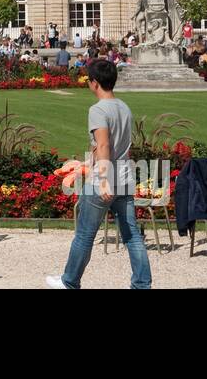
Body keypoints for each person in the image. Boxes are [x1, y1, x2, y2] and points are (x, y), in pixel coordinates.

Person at [46, 59, 151, 289]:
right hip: (124, 177)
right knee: (132, 235)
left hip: (105, 179)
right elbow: (119, 146)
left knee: (84, 235)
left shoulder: (98, 109)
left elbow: (103, 146)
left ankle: (69, 282)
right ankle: (143, 284)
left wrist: (103, 180)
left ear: (94, 83)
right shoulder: (124, 107)